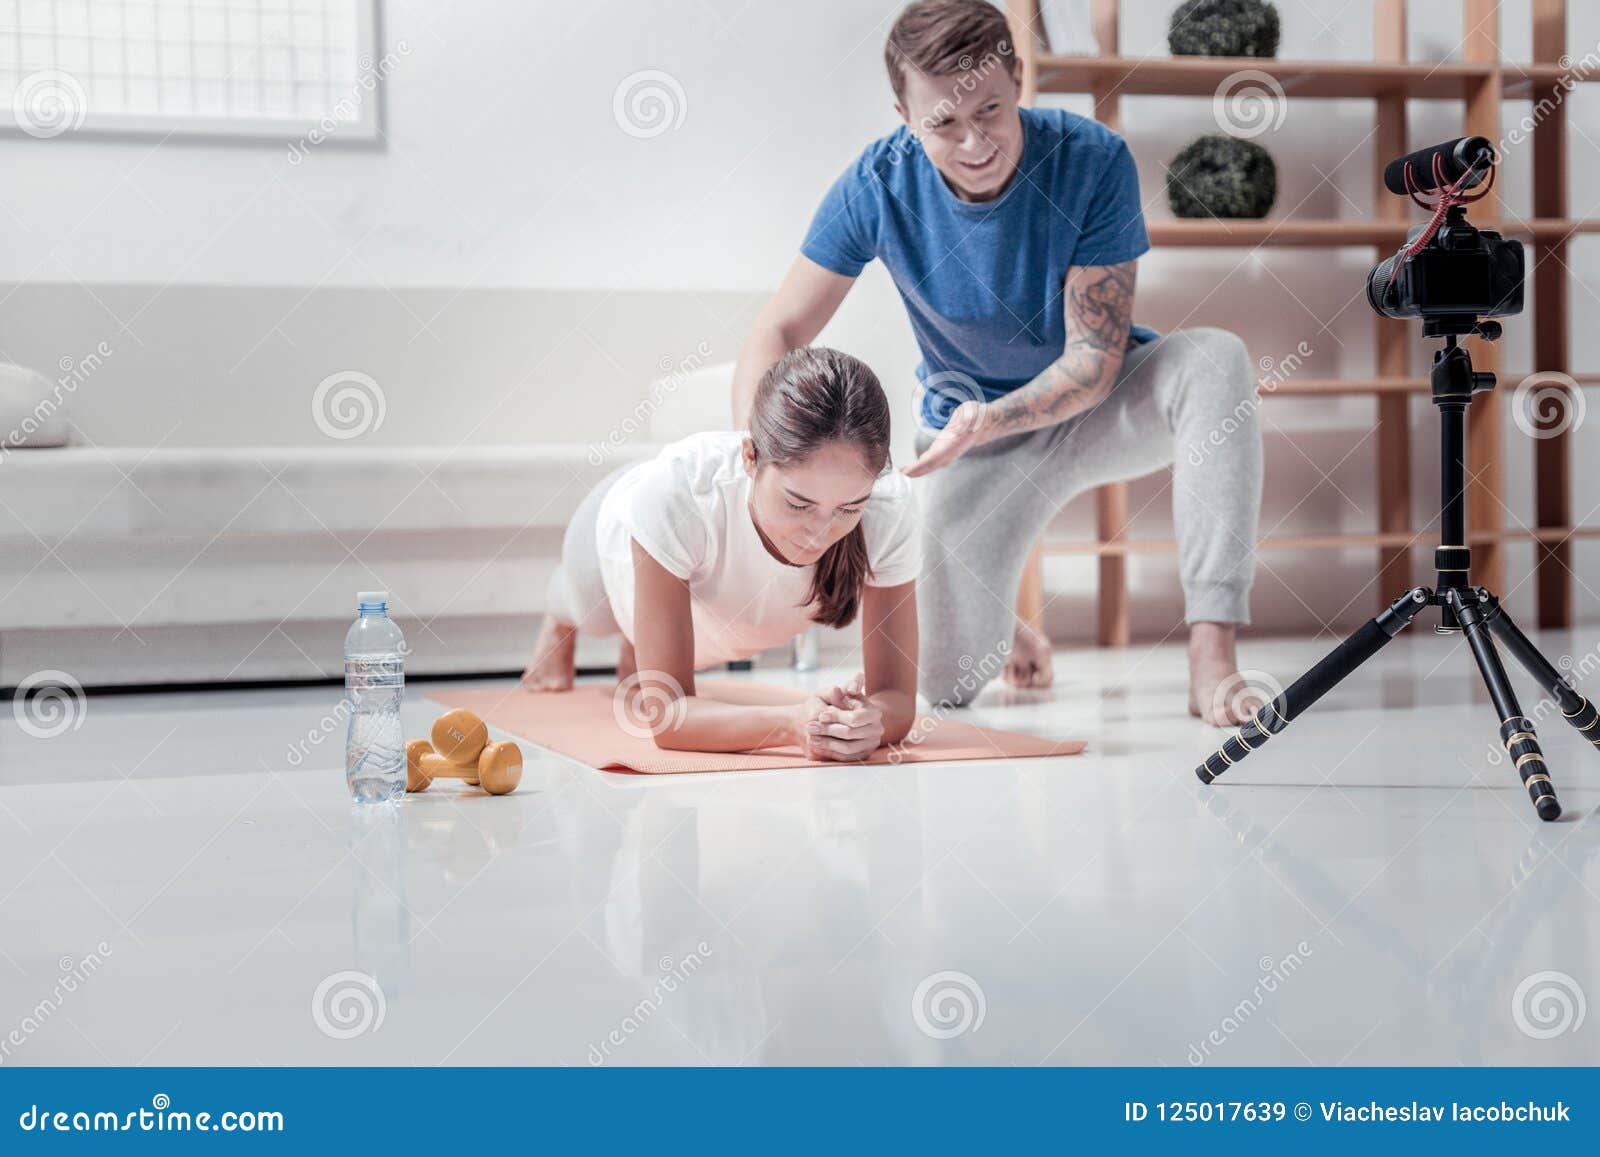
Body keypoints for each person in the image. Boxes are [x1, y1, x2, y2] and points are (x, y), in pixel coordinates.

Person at [730, 0, 1264, 725]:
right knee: (941, 686)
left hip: (1100, 406)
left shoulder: (1092, 158)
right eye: (943, 124)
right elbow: (782, 323)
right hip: (967, 446)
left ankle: (1212, 659)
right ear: (903, 113)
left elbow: (1093, 362)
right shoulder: (877, 185)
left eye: (991, 111)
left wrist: (992, 417)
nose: (976, 142)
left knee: (1216, 360)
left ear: (1018, 80)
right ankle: (998, 618)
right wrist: (755, 451)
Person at [523, 346, 920, 761]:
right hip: (610, 530)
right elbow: (669, 717)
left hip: (692, 573)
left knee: (647, 660)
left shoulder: (889, 507)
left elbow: (896, 697)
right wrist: (792, 724)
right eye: (799, 504)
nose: (821, 533)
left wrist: (864, 723)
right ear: (749, 456)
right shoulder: (674, 497)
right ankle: (559, 620)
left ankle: (637, 647)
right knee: (589, 610)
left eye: (848, 508)